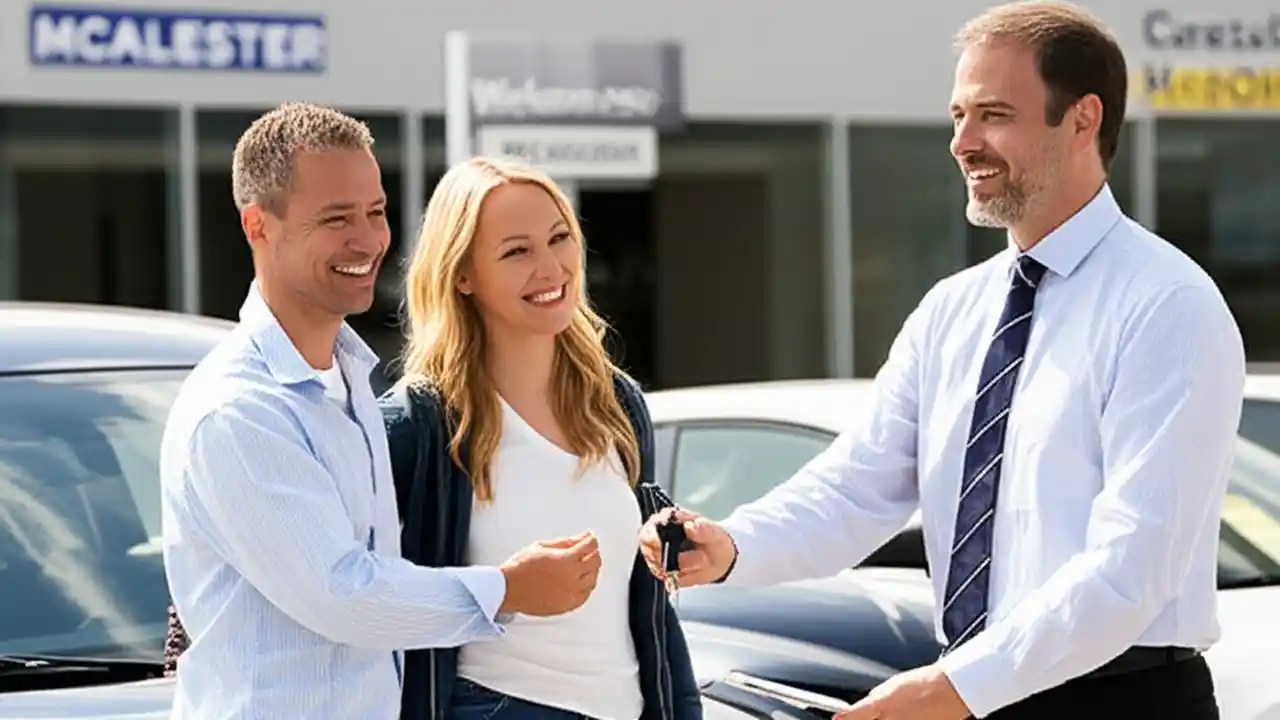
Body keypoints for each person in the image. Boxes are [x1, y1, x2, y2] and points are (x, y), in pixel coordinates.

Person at [640, 3, 1245, 719]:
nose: (962, 143)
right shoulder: (952, 311)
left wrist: (957, 688)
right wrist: (734, 545)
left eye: (993, 114)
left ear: (1082, 120)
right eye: (957, 116)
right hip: (977, 691)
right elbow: (857, 489)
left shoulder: (1167, 305)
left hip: (1121, 700)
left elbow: (1130, 571)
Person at [159, 103, 601, 719]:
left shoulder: (350, 380)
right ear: (257, 225)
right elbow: (343, 597)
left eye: (376, 212)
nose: (367, 241)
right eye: (337, 219)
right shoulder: (238, 411)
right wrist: (508, 588)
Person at [378, 155, 702, 720]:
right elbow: (365, 593)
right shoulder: (420, 423)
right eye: (517, 251)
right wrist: (503, 587)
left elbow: (649, 612)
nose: (551, 267)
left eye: (559, 239)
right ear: (462, 274)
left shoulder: (616, 403)